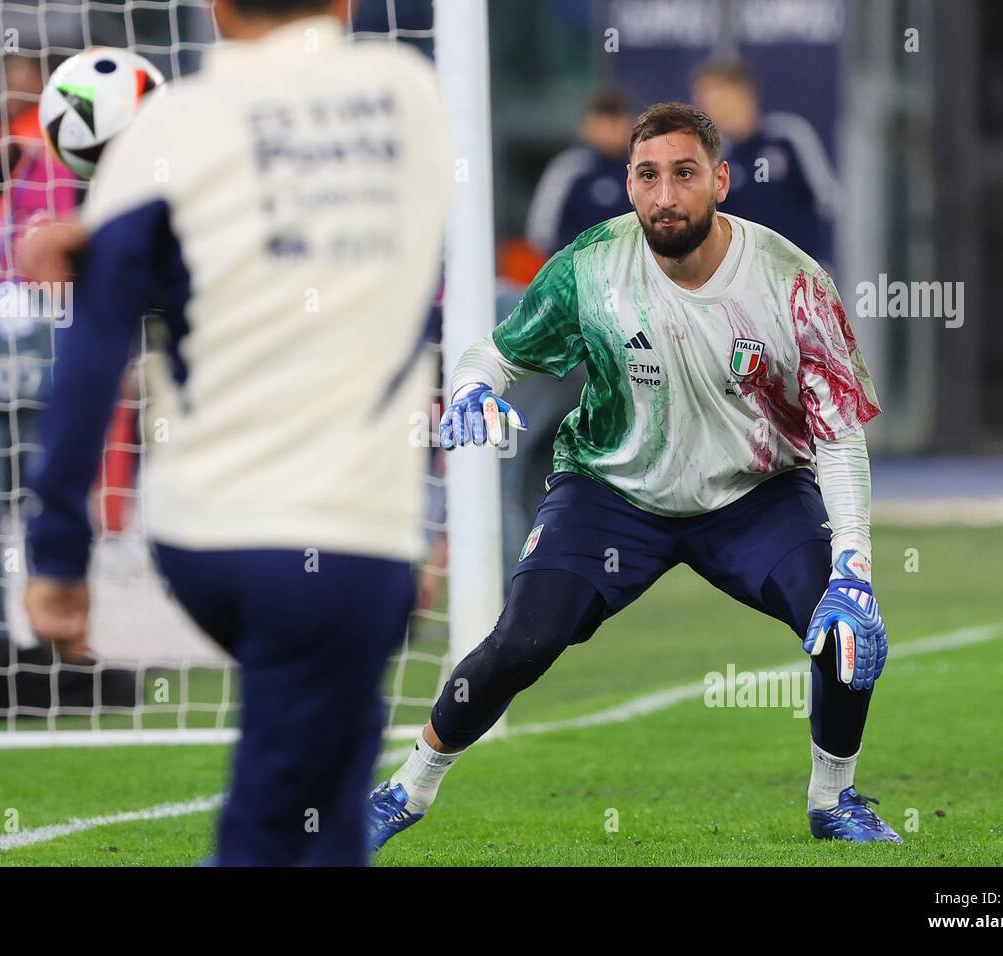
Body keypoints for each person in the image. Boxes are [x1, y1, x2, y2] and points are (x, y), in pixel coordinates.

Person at [369, 102, 901, 849]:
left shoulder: (792, 282)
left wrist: (855, 566)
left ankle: (833, 800)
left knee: (845, 628)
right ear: (628, 185)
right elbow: (495, 354)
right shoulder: (591, 265)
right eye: (648, 176)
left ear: (719, 180)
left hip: (753, 495)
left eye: (684, 174)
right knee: (522, 640)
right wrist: (470, 392)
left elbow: (839, 437)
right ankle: (404, 792)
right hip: (612, 492)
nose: (665, 195)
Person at [21, 0, 450, 866]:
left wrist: (59, 556)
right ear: (346, 4)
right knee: (274, 817)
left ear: (215, 8)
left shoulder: (168, 126)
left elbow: (95, 348)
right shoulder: (413, 92)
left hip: (199, 534)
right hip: (339, 533)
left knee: (328, 788)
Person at [691, 60, 837, 265]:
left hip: (802, 277)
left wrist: (824, 264)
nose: (711, 109)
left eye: (718, 99)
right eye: (704, 102)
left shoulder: (788, 137)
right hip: (749, 282)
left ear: (744, 94)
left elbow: (829, 202)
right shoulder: (713, 158)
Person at [525, 87, 636, 258]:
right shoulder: (569, 168)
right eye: (605, 121)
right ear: (587, 126)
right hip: (576, 272)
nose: (612, 130)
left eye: (618, 122)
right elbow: (541, 232)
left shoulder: (640, 169)